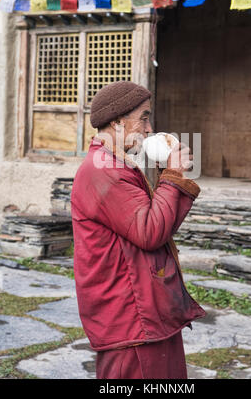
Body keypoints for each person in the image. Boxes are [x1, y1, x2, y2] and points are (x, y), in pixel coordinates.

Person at [71, 81, 206, 379]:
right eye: (143, 117)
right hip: (130, 317)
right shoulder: (103, 171)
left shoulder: (117, 165)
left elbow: (157, 224)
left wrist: (168, 176)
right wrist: (173, 174)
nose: (149, 129)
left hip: (147, 310)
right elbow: (150, 232)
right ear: (117, 122)